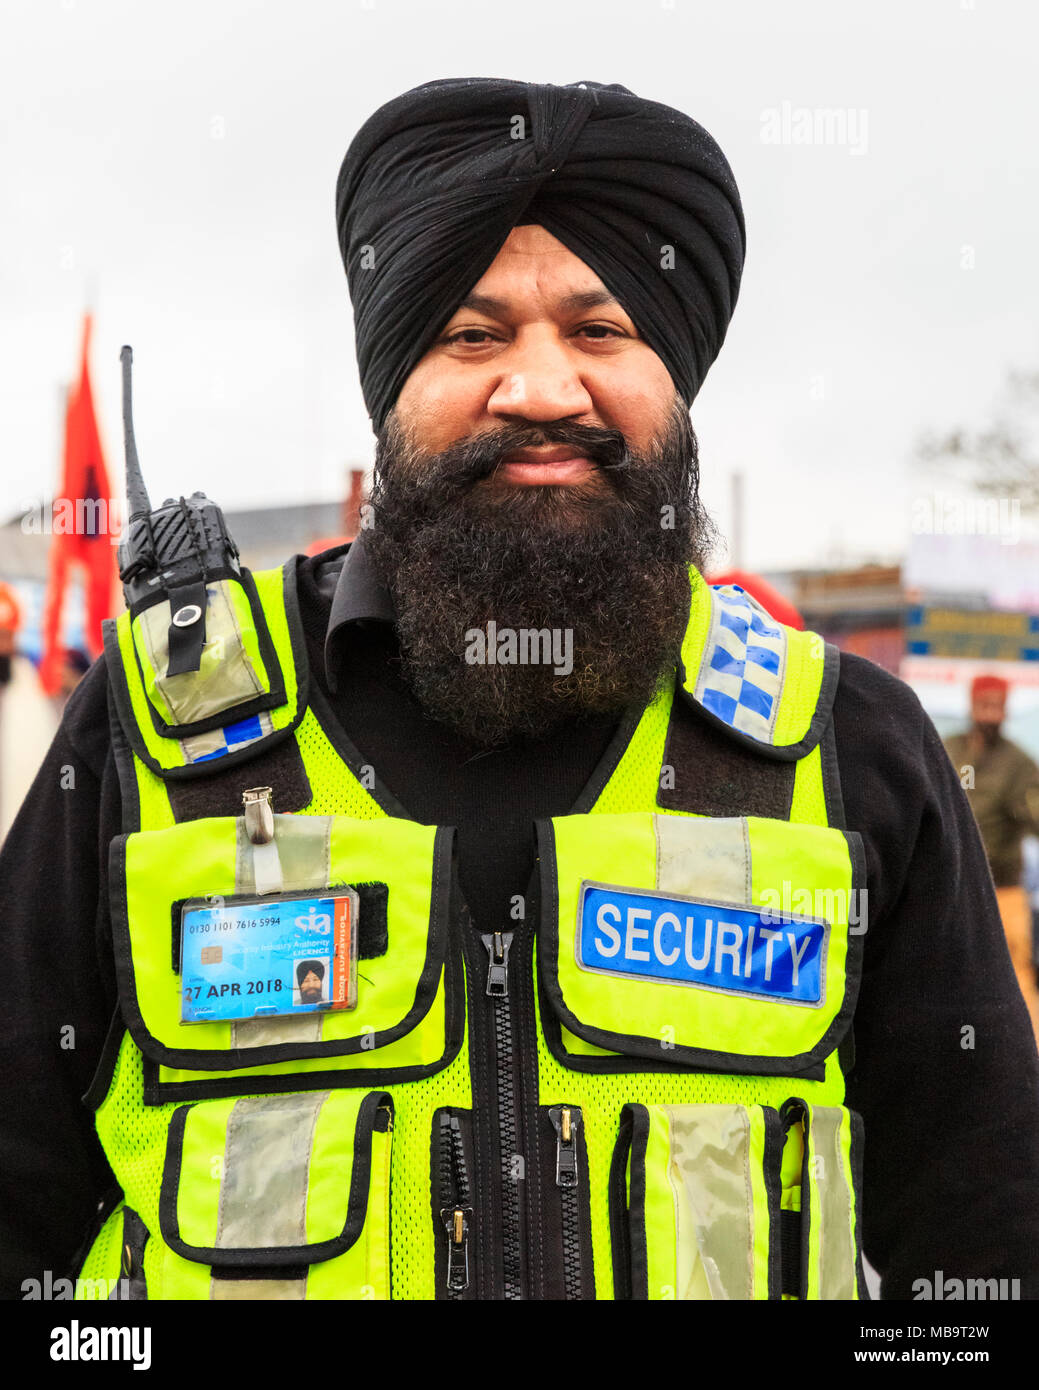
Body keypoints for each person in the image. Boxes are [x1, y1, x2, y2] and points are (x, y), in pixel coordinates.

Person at [1, 76, 1038, 1304]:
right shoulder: (148, 732)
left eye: (601, 332)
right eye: (472, 334)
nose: (542, 389)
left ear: (677, 379)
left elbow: (982, 1260)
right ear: (388, 386)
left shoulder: (849, 747)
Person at [944, 673, 1039, 1036]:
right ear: (971, 706)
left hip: (1005, 888)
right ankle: (957, 1048)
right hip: (955, 889)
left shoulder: (1019, 763)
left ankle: (1025, 1049)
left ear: (1005, 710)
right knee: (950, 970)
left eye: (996, 707)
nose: (989, 714)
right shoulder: (950, 750)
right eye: (983, 705)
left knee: (1018, 970)